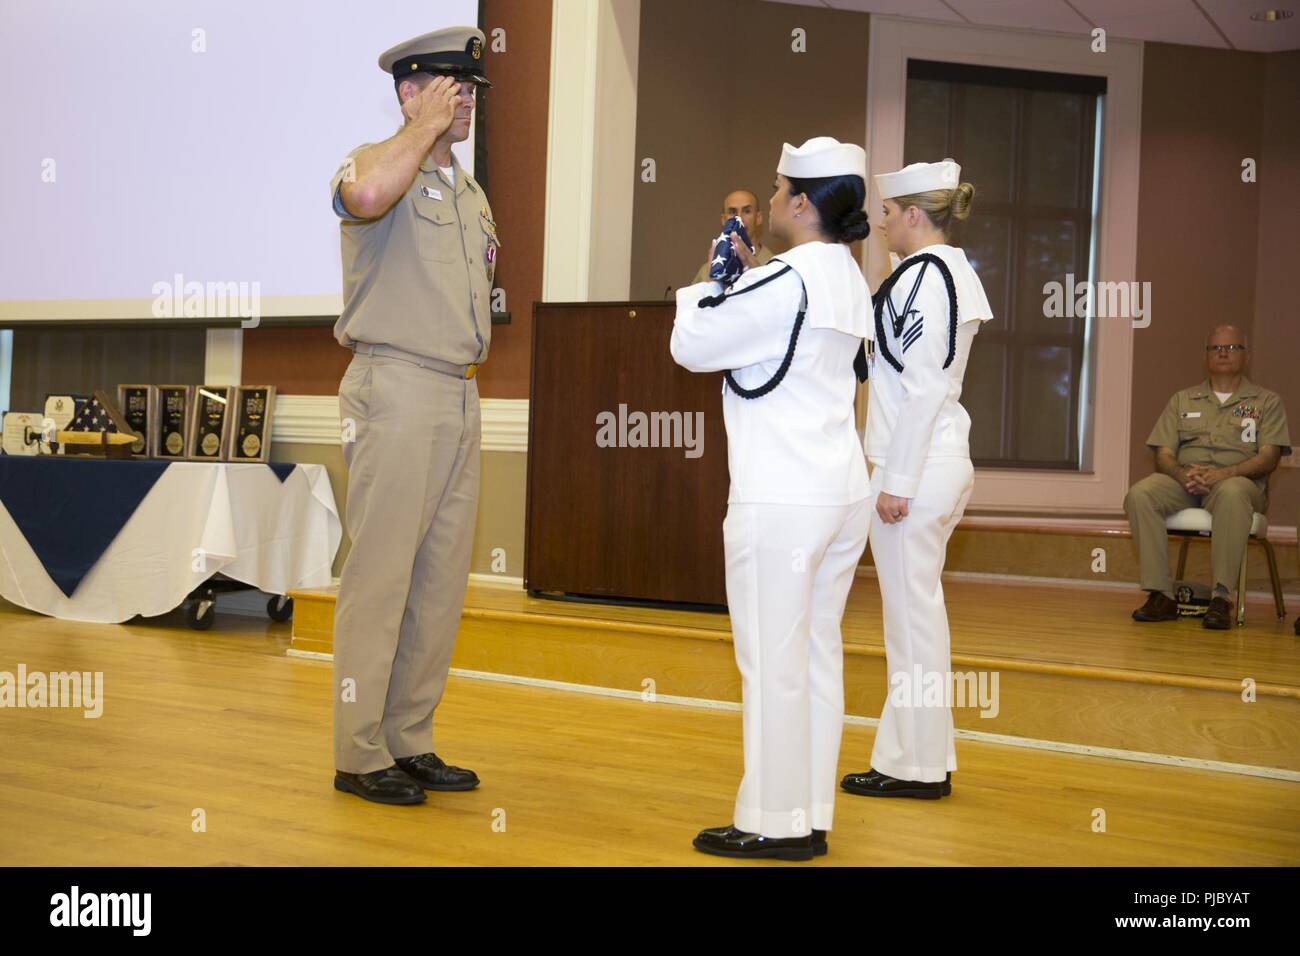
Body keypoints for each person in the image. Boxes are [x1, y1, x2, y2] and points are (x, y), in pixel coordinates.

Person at [672, 136, 872, 860]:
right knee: (816, 654)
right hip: (840, 490)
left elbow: (693, 345)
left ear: (802, 203)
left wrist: (714, 279)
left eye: (780, 187)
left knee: (771, 660)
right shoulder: (846, 275)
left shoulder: (787, 276)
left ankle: (772, 820)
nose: (774, 197)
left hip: (783, 495)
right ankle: (810, 810)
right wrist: (743, 279)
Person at [328, 26, 498, 805]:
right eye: (450, 89)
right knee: (380, 576)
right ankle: (359, 752)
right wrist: (421, 129)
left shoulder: (469, 192)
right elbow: (362, 197)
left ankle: (409, 738)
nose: (465, 103)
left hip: (460, 393)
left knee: (436, 583)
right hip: (395, 388)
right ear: (409, 91)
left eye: (469, 93)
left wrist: (437, 135)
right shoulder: (375, 164)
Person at [840, 159, 992, 801]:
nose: (877, 224)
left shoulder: (926, 278)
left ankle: (917, 767)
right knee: (917, 620)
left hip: (919, 467)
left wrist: (896, 480)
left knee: (911, 622)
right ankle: (919, 756)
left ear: (909, 214)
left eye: (883, 213)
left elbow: (925, 386)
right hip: (932, 462)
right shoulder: (938, 274)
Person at [1124, 325, 1290, 629]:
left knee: (1232, 492)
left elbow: (1269, 457)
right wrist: (1182, 473)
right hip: (1185, 482)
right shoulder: (1182, 400)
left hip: (1238, 482)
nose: (1223, 353)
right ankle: (1161, 594)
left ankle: (1221, 597)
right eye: (1215, 348)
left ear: (1247, 355)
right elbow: (1163, 453)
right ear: (1206, 356)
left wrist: (1224, 474)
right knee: (1140, 493)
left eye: (1232, 347)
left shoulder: (1266, 402)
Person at [690, 189, 775, 284]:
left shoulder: (775, 267)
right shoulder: (707, 271)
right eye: (732, 212)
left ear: (758, 218)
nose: (739, 218)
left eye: (747, 211)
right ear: (723, 220)